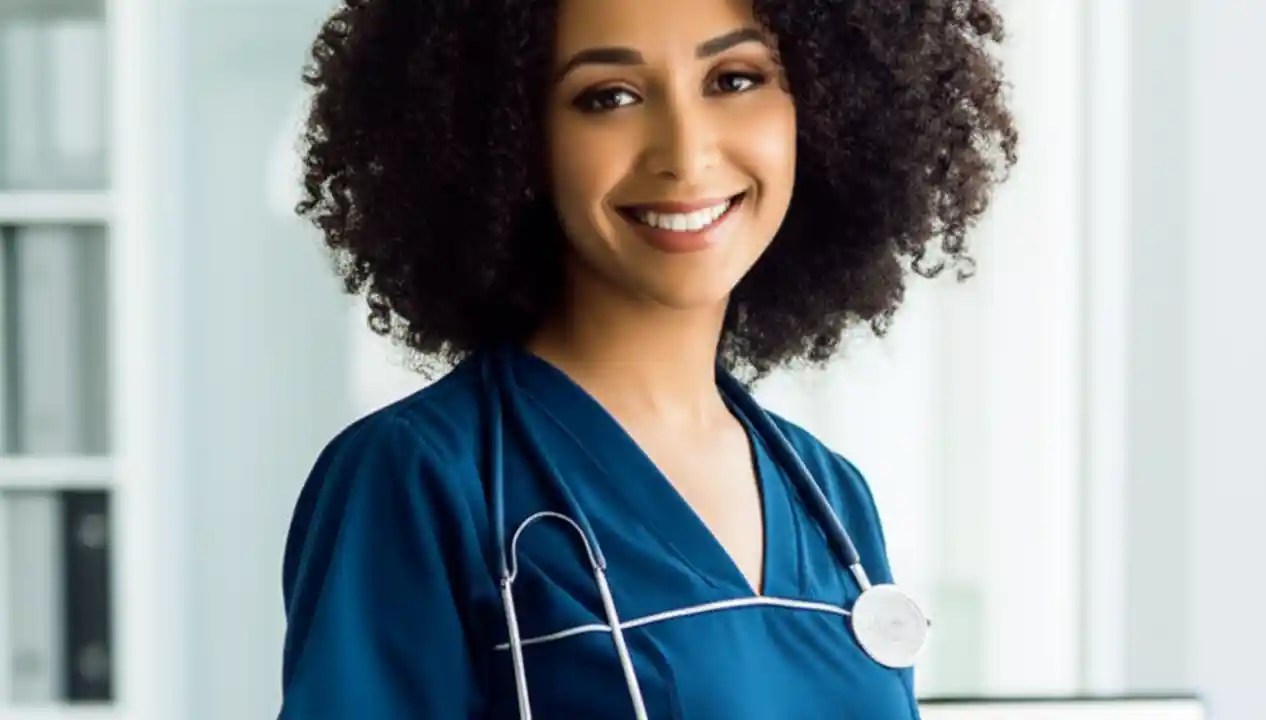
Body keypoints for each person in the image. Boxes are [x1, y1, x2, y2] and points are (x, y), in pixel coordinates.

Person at [277, 0, 1017, 717]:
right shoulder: (422, 479)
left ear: (825, 111)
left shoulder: (831, 499)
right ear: (507, 136)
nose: (685, 153)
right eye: (610, 96)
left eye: (734, 80)